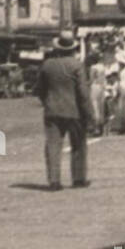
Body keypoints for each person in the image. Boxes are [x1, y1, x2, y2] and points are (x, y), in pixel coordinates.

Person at [37, 31, 93, 189]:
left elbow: (39, 89)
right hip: (75, 112)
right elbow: (83, 93)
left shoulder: (47, 65)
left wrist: (47, 101)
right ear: (73, 49)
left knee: (53, 145)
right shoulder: (76, 65)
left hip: (52, 111)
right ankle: (78, 178)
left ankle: (54, 181)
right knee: (78, 145)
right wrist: (90, 114)